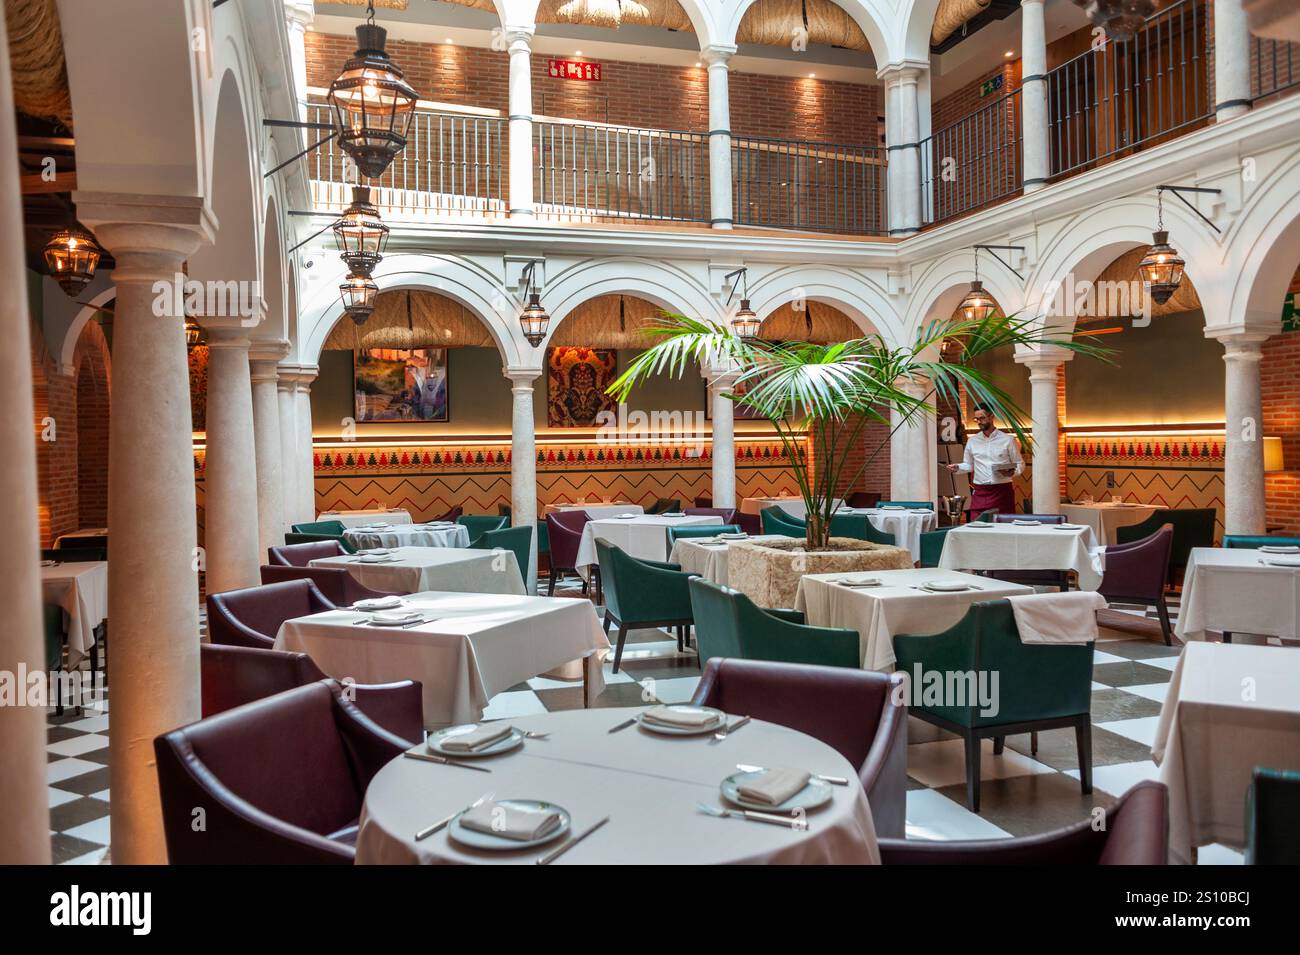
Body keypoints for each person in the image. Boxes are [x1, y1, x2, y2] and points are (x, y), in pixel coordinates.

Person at [945, 405, 1023, 518]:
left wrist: (1012, 472)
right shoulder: (972, 441)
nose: (979, 422)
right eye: (976, 419)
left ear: (991, 417)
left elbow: (1020, 464)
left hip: (1002, 491)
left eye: (982, 418)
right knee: (976, 526)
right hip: (980, 492)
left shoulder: (1008, 440)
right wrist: (957, 467)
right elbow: (969, 465)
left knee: (1003, 529)